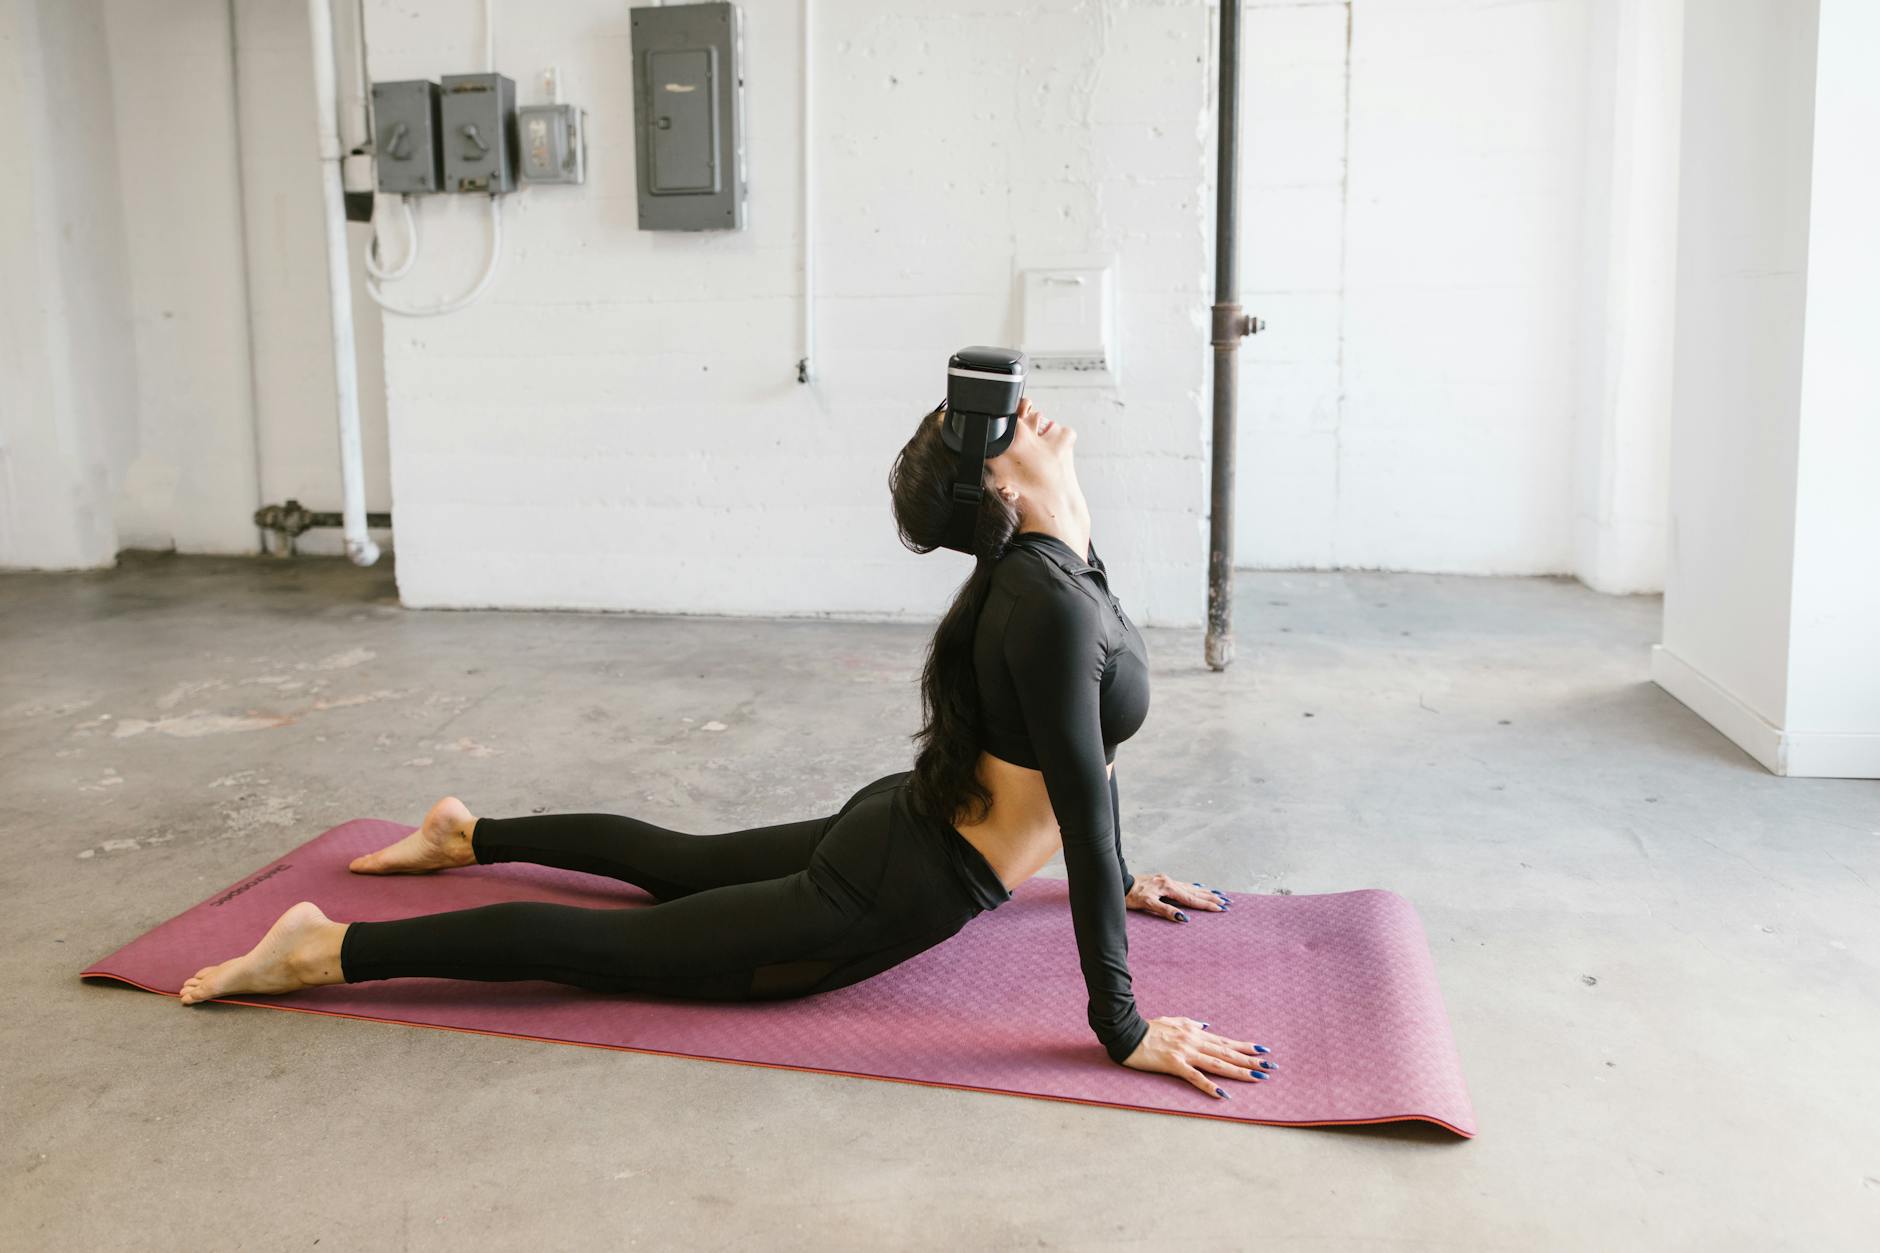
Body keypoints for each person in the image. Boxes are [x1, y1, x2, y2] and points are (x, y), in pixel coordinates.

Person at [178, 398, 1277, 1099]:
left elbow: (1080, 779)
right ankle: (326, 948)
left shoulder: (1063, 557)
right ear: (996, 485)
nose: (1021, 412)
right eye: (989, 426)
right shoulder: (1053, 598)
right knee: (602, 945)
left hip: (900, 827)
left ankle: (467, 833)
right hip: (889, 880)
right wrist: (1121, 1024)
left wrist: (1122, 878)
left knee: (678, 861)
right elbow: (1077, 808)